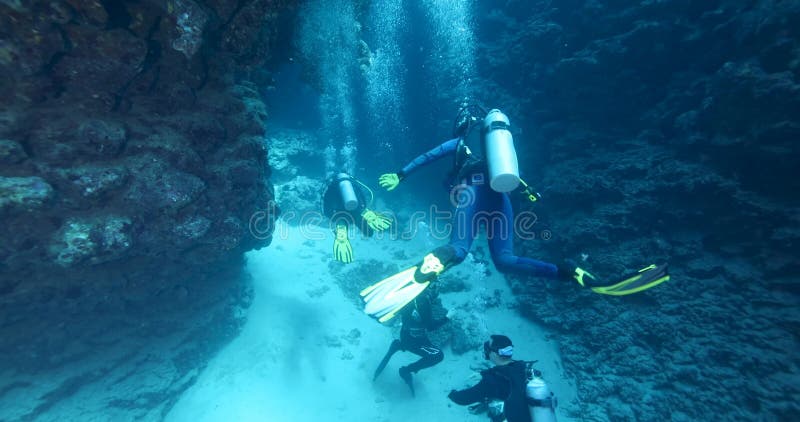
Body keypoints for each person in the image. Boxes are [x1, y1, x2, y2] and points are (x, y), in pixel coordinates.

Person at [361, 104, 669, 322]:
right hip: (502, 200)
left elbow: (430, 156)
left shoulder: (459, 143)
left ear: (462, 125)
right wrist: (527, 191)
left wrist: (401, 175)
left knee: (459, 248)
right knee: (505, 261)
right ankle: (572, 272)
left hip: (472, 193)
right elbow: (518, 181)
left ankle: (436, 262)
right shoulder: (499, 154)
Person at [372, 289, 448, 397]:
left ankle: (398, 345)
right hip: (415, 341)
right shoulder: (423, 301)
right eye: (436, 286)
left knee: (417, 341)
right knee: (438, 355)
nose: (437, 290)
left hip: (405, 335)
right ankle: (406, 370)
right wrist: (447, 318)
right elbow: (431, 327)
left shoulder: (411, 294)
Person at [448, 335, 536, 422]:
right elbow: (503, 370)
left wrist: (452, 394)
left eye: (488, 346)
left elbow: (463, 399)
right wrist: (483, 373)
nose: (486, 347)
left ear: (494, 354)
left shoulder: (491, 382)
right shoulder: (522, 366)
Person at [322, 172, 392, 263]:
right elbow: (363, 197)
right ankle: (367, 214)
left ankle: (341, 231)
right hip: (356, 211)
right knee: (369, 233)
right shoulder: (351, 184)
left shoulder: (330, 187)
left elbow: (326, 210)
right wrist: (363, 209)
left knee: (342, 222)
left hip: (340, 216)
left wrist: (333, 218)